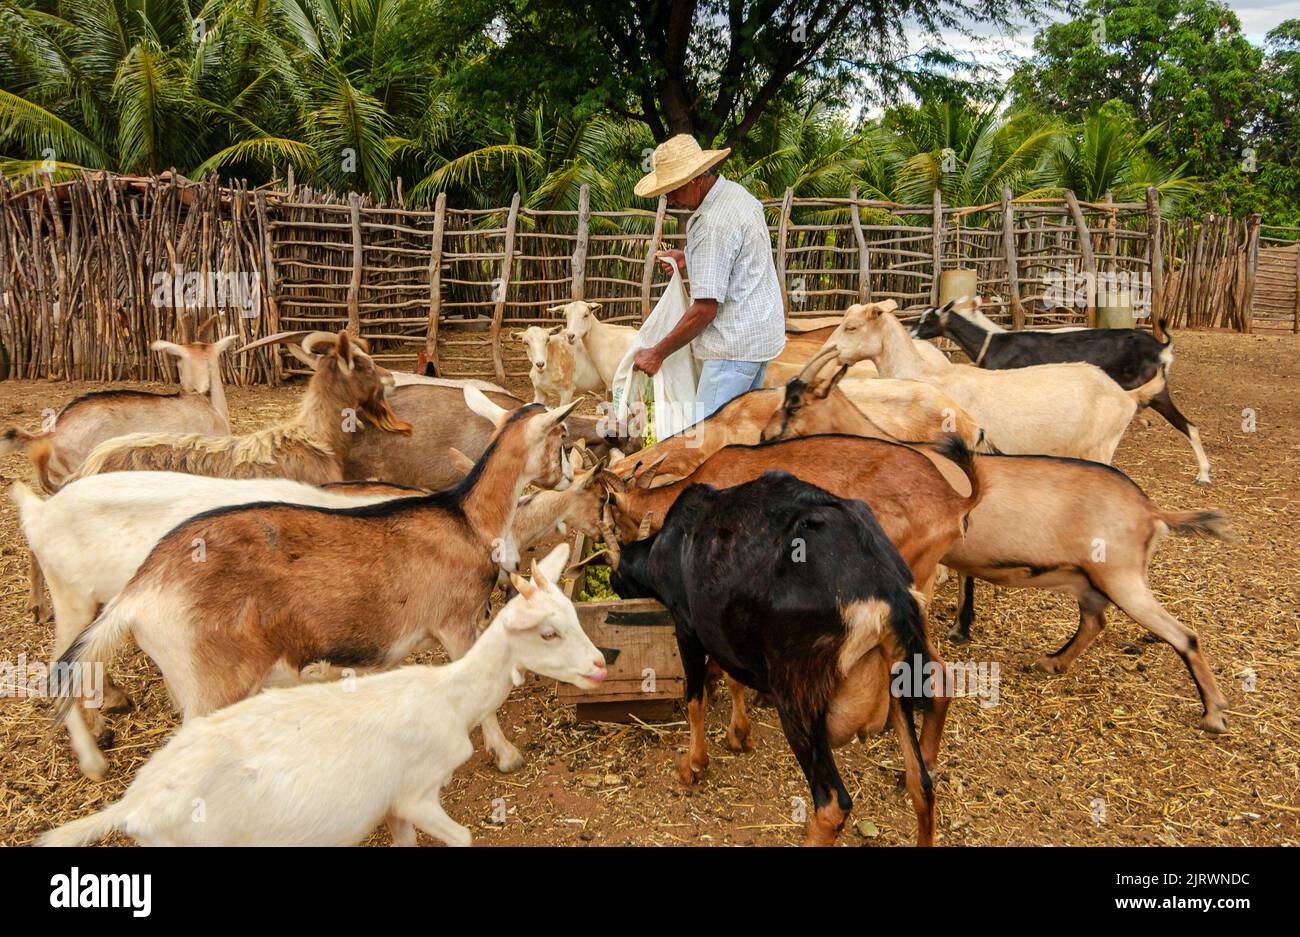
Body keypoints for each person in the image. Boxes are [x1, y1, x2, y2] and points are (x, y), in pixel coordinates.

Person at [632, 134, 785, 425]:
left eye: (673, 190)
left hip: (733, 347)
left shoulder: (710, 224)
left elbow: (705, 310)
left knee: (704, 438)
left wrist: (656, 353)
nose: (671, 199)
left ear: (696, 179)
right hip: (760, 338)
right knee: (742, 432)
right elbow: (736, 252)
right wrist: (688, 256)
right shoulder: (737, 196)